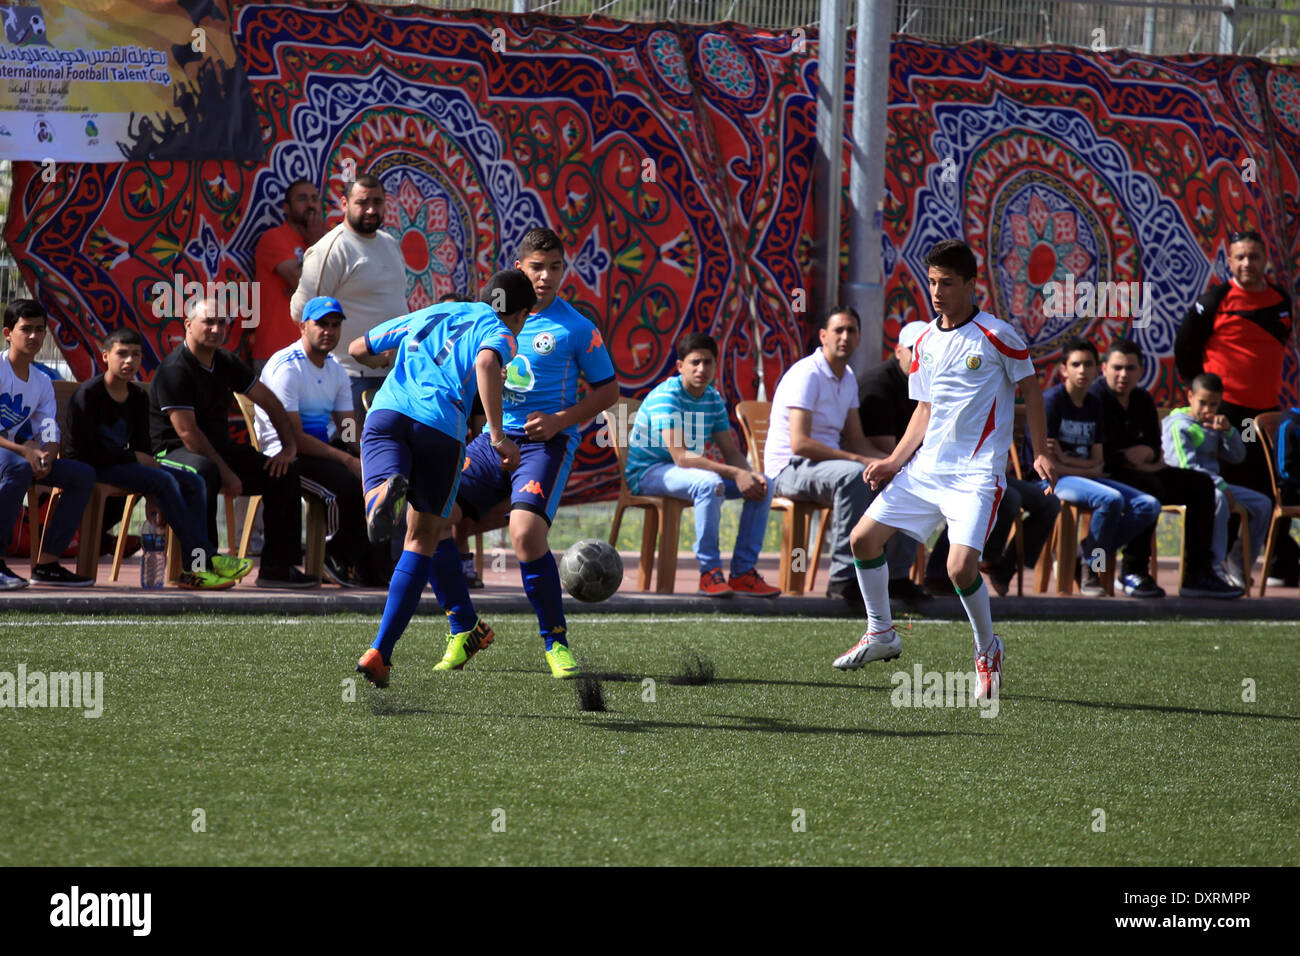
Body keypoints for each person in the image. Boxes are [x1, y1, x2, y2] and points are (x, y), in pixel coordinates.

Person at [832, 239, 1056, 700]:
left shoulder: (998, 335)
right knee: (862, 539)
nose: (936, 292)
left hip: (975, 475)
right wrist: (895, 462)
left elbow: (1031, 391)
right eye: (932, 282)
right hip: (925, 470)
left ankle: (987, 648)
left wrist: (1038, 450)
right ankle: (882, 633)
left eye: (947, 283)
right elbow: (925, 410)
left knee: (959, 568)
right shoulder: (926, 341)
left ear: (971, 285)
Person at [428, 228, 619, 679]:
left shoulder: (576, 328)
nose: (546, 276)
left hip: (544, 445)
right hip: (494, 441)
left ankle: (556, 642)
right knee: (432, 517)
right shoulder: (491, 318)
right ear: (519, 268)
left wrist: (559, 420)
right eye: (537, 267)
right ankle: (463, 628)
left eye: (555, 267)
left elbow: (609, 391)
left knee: (525, 534)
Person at [351, 270, 532, 689]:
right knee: (423, 538)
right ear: (521, 314)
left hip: (388, 413)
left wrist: (384, 362)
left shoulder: (435, 311)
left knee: (392, 497)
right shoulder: (500, 329)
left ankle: (380, 498)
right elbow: (486, 361)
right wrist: (498, 436)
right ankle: (380, 650)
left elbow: (360, 347)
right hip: (440, 429)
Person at [149, 297, 318, 588]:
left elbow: (268, 400)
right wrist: (227, 473)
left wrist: (289, 447)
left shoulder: (225, 361)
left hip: (215, 451)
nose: (216, 329)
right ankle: (198, 568)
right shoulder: (174, 369)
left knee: (283, 473)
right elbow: (187, 433)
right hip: (171, 451)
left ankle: (277, 570)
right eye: (208, 322)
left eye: (222, 323)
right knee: (204, 472)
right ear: (188, 325)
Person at [66, 328, 252, 589]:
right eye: (122, 354)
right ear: (105, 356)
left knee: (193, 481)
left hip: (126, 465)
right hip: (95, 467)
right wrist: (138, 464)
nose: (129, 361)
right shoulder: (89, 394)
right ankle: (206, 560)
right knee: (163, 481)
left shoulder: (139, 397)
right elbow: (82, 451)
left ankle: (196, 569)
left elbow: (145, 447)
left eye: (136, 355)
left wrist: (150, 489)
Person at [1174, 228, 1297, 585]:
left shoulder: (1280, 301)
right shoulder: (1214, 300)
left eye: (1254, 256)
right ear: (1229, 261)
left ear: (1265, 260)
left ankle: (1276, 560)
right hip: (1229, 413)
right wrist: (1208, 397)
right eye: (1240, 257)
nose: (1247, 263)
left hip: (1266, 415)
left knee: (1276, 485)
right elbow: (1185, 348)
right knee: (1229, 485)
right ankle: (1219, 563)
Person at [625, 332, 778, 597]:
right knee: (710, 484)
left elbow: (730, 451)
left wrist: (749, 475)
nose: (701, 369)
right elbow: (681, 457)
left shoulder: (713, 398)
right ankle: (709, 573)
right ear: (680, 366)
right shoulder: (666, 397)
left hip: (683, 473)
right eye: (695, 362)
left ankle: (743, 572)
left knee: (764, 484)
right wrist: (736, 473)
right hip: (648, 472)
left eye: (708, 362)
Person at [254, 295, 388, 588]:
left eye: (335, 325)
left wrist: (366, 456)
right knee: (346, 484)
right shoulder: (287, 367)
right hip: (285, 455)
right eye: (321, 324)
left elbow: (347, 426)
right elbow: (294, 439)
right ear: (303, 326)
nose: (329, 331)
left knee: (378, 479)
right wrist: (347, 460)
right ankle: (332, 556)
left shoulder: (335, 368)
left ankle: (371, 567)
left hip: (319, 450)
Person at [1090, 340, 1241, 598]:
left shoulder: (1142, 399)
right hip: (1105, 475)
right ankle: (1133, 570)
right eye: (1117, 368)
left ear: (1140, 370)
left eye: (1130, 368)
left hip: (1143, 469)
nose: (1123, 374)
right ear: (1104, 369)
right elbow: (1095, 451)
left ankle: (1197, 574)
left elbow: (1152, 444)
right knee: (1151, 489)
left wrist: (1145, 453)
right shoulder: (1095, 398)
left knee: (1201, 484)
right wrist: (1127, 456)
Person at [767, 307, 894, 609]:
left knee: (899, 477)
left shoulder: (848, 377)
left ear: (860, 337)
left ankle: (895, 578)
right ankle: (841, 578)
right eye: (838, 330)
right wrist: (856, 459)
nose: (845, 337)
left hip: (826, 468)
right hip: (788, 469)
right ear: (823, 336)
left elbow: (858, 440)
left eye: (851, 331)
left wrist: (893, 463)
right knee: (853, 476)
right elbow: (800, 444)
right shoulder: (807, 374)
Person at [1025, 337, 1160, 596]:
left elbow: (1098, 461)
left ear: (1097, 368)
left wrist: (1068, 460)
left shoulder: (1094, 404)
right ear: (1064, 369)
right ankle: (1091, 567)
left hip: (1082, 477)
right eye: (1076, 364)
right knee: (1110, 499)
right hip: (1050, 481)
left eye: (1088, 364)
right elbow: (1051, 466)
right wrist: (1082, 467)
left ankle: (1087, 551)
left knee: (1149, 506)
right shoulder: (1052, 402)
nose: (1083, 370)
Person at [290, 174, 408, 418]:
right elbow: (303, 312)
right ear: (344, 204)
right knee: (353, 450)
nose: (371, 209)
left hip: (394, 376)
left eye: (377, 202)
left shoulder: (390, 244)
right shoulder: (331, 248)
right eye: (362, 202)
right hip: (350, 377)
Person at [0, 299, 95, 588]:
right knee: (18, 468)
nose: (33, 336)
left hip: (18, 454)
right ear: (8, 333)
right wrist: (25, 451)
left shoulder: (42, 380)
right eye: (25, 329)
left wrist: (48, 456)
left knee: (81, 475)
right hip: (11, 455)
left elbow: (49, 428)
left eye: (39, 330)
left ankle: (48, 564)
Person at [1163, 372, 1272, 590]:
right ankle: (1214, 565)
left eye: (1213, 404)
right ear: (1190, 396)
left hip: (1214, 484)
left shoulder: (1214, 423)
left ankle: (1239, 563)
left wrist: (1229, 432)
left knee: (1263, 503)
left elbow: (1238, 456)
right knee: (1220, 498)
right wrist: (1220, 485)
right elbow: (1187, 468)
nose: (1207, 410)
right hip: (1187, 485)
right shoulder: (1178, 425)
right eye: (1202, 403)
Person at [857, 319, 933, 603]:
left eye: (928, 351)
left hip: (909, 461)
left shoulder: (930, 382)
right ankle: (886, 577)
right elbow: (885, 449)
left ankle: (938, 574)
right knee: (911, 480)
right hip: (879, 460)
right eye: (915, 350)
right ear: (898, 350)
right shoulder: (878, 385)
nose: (921, 358)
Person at [252, 179, 327, 374]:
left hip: (314, 351)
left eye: (314, 199)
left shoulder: (329, 239)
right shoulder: (274, 238)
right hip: (276, 352)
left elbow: (334, 287)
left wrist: (303, 289)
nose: (310, 204)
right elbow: (303, 281)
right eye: (302, 199)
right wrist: (315, 244)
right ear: (287, 207)